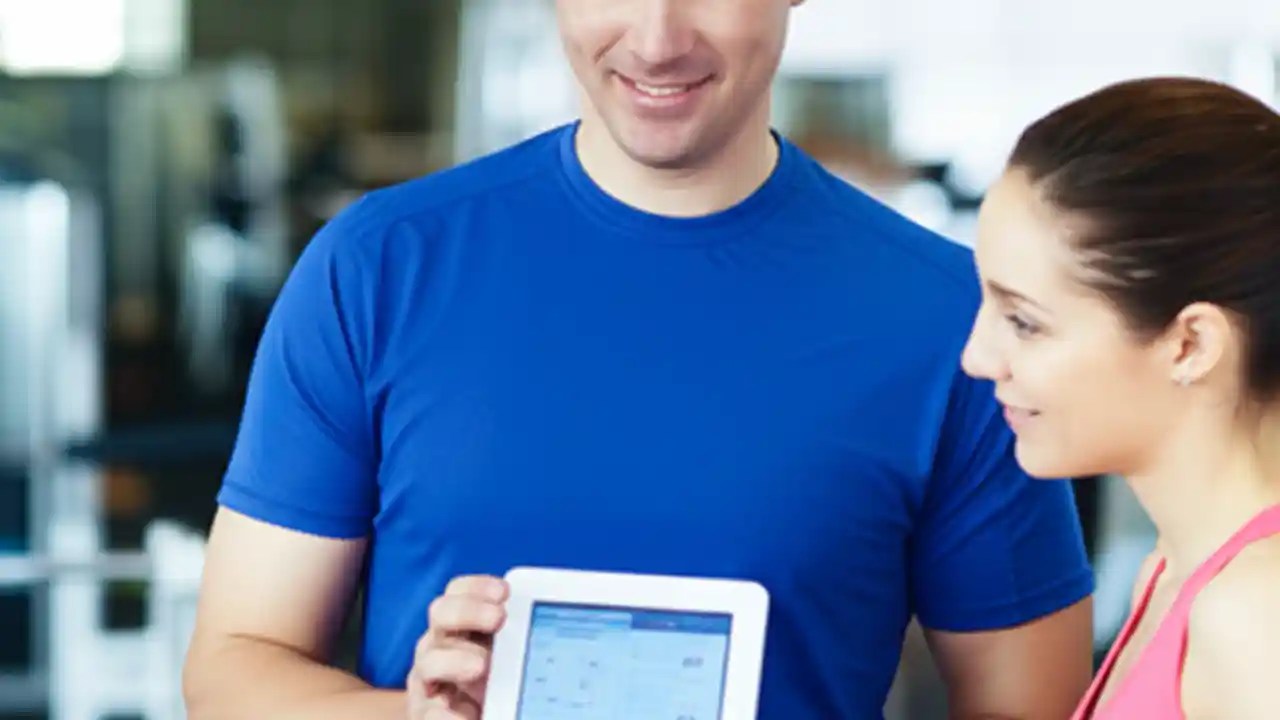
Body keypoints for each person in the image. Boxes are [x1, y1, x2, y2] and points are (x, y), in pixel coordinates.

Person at [182, 1, 1095, 718]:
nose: (657, 39)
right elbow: (233, 672)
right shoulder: (378, 267)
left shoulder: (950, 322)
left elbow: (1031, 705)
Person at [961, 76, 1280, 719]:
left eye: (1024, 322)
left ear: (1189, 344)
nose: (978, 358)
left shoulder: (1254, 616)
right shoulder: (1174, 573)